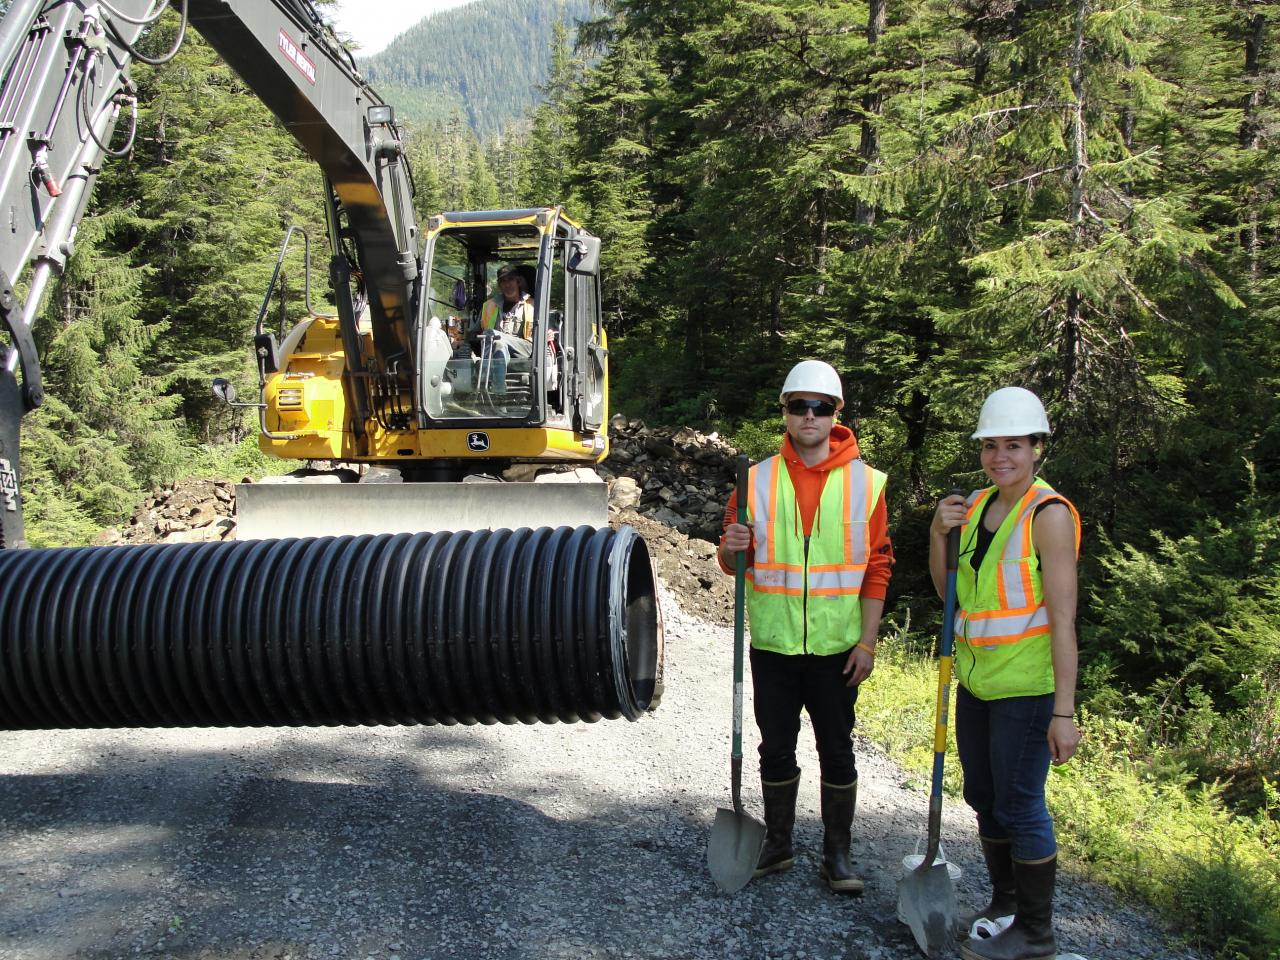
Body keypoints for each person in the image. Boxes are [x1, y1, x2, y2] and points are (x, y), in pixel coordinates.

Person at [718, 359, 894, 895]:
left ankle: (836, 854)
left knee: (837, 748)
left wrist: (867, 641)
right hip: (773, 643)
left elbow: (877, 568)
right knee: (776, 745)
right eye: (799, 406)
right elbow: (732, 558)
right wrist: (731, 547)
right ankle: (778, 842)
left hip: (837, 647)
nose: (810, 416)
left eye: (821, 406)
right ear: (786, 413)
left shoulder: (867, 483)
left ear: (837, 413)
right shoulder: (756, 478)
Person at [928, 386, 1082, 960]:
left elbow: (1064, 620)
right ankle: (1005, 903)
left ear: (1037, 448)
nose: (1001, 457)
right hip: (976, 682)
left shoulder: (1049, 515)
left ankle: (1036, 933)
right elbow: (951, 597)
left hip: (1029, 688)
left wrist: (1064, 713)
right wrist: (940, 532)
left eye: (1014, 445)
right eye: (991, 446)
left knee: (1020, 804)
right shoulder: (978, 505)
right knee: (984, 797)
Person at [475, 262, 534, 394]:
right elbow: (474, 333)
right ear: (499, 285)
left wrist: (549, 333)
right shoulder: (489, 305)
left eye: (511, 280)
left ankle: (484, 378)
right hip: (498, 350)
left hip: (525, 349)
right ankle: (499, 392)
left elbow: (549, 329)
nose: (507, 285)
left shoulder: (533, 305)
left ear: (518, 282)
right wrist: (460, 342)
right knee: (499, 343)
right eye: (503, 281)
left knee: (494, 335)